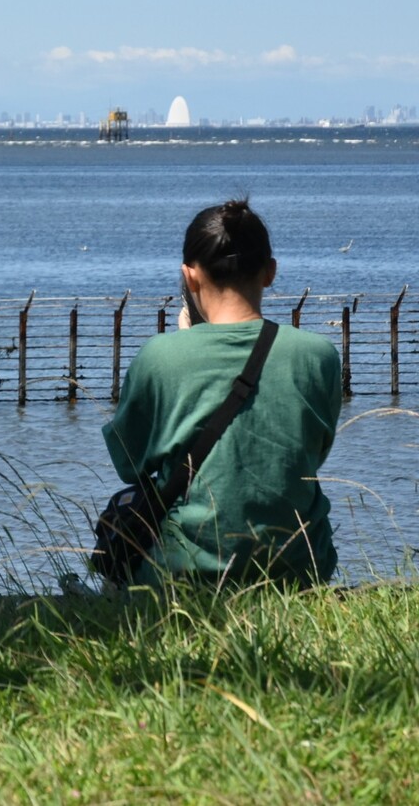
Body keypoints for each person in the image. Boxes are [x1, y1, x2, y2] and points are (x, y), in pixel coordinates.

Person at [100, 199, 341, 587]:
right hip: (298, 568)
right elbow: (311, 454)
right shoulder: (319, 355)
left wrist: (184, 346)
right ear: (270, 272)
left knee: (120, 516)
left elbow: (131, 465)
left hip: (182, 574)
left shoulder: (159, 357)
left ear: (190, 276)